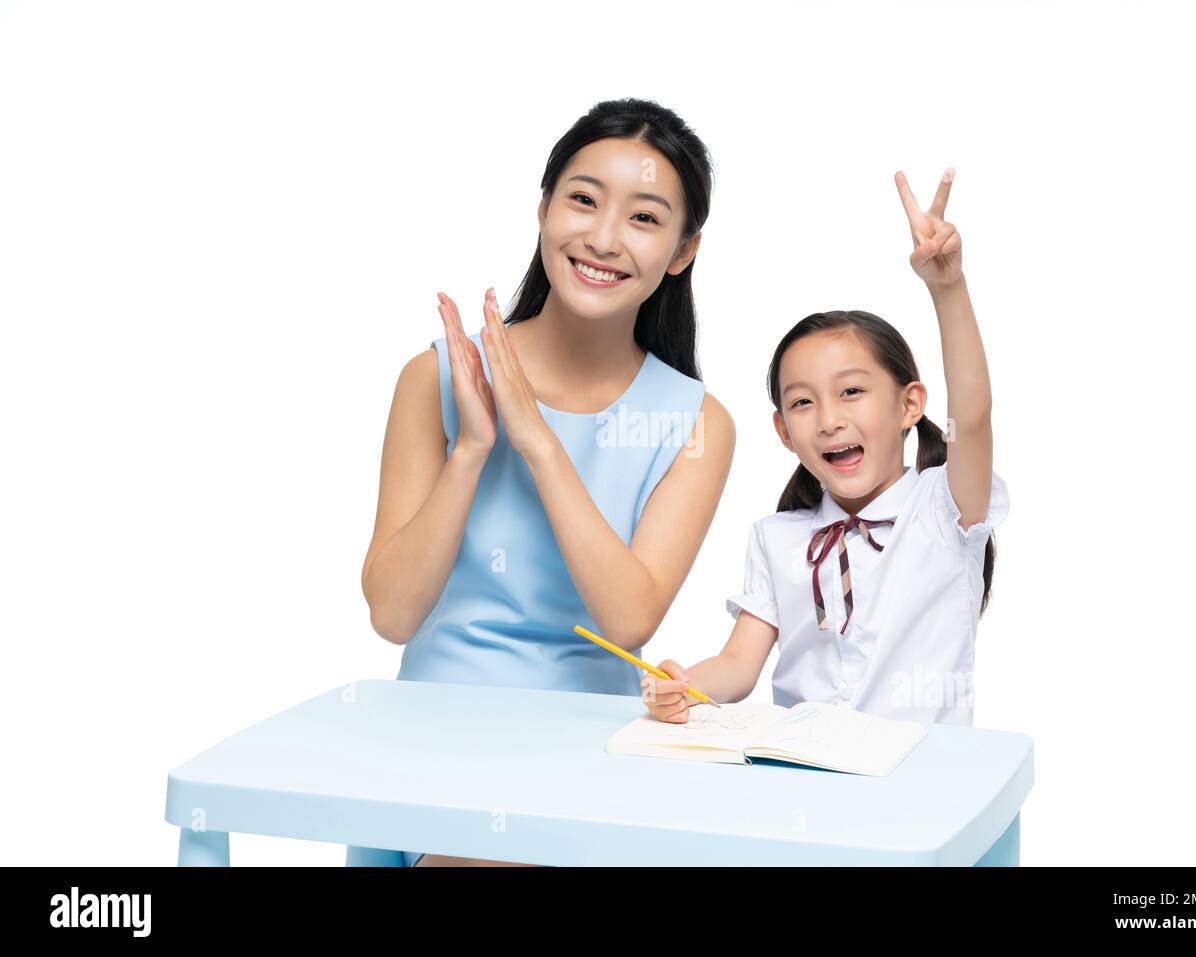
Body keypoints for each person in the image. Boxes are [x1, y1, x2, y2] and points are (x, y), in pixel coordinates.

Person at [360, 99, 735, 866]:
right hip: (431, 742)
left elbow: (628, 617)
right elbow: (393, 614)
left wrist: (537, 442)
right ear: (542, 209)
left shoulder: (696, 421)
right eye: (583, 199)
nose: (601, 238)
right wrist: (473, 448)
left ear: (682, 250)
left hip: (587, 758)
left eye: (643, 217)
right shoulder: (435, 376)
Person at [644, 168, 1008, 730]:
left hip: (919, 783)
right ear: (784, 432)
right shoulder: (777, 537)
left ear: (910, 405)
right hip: (807, 782)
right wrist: (685, 684)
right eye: (804, 403)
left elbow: (974, 419)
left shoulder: (944, 508)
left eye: (852, 392)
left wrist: (948, 288)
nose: (830, 420)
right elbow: (739, 666)